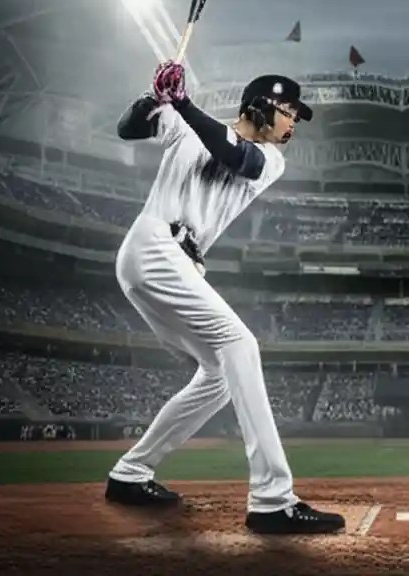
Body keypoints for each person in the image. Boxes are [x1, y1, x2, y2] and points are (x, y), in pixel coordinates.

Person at [102, 61, 345, 535]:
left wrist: (185, 103)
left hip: (175, 263)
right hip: (153, 245)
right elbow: (127, 129)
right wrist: (153, 99)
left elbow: (239, 158)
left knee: (217, 373)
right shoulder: (187, 126)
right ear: (260, 106)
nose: (294, 123)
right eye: (289, 111)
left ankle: (131, 473)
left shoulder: (269, 159)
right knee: (241, 347)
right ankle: (273, 499)